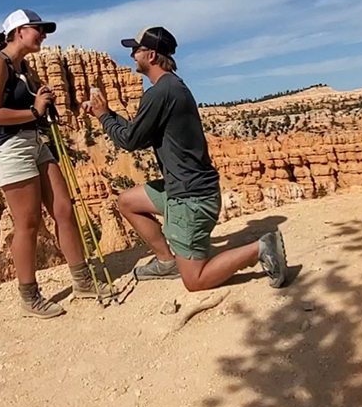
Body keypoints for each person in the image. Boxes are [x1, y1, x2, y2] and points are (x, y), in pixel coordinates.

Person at [84, 26, 288, 292]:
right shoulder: (171, 87)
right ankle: (166, 261)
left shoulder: (160, 92)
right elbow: (139, 135)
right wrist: (108, 113)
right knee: (127, 201)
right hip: (185, 189)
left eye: (137, 49)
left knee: (194, 280)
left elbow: (130, 142)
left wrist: (103, 116)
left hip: (190, 199)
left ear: (152, 55)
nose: (132, 54)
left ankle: (260, 248)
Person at [0, 9, 95, 318]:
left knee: (63, 208)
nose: (42, 35)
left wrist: (42, 101)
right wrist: (33, 111)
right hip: (10, 148)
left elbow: (27, 107)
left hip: (34, 143)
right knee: (28, 223)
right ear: (19, 32)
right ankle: (29, 296)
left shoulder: (21, 67)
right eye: (38, 30)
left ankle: (83, 281)